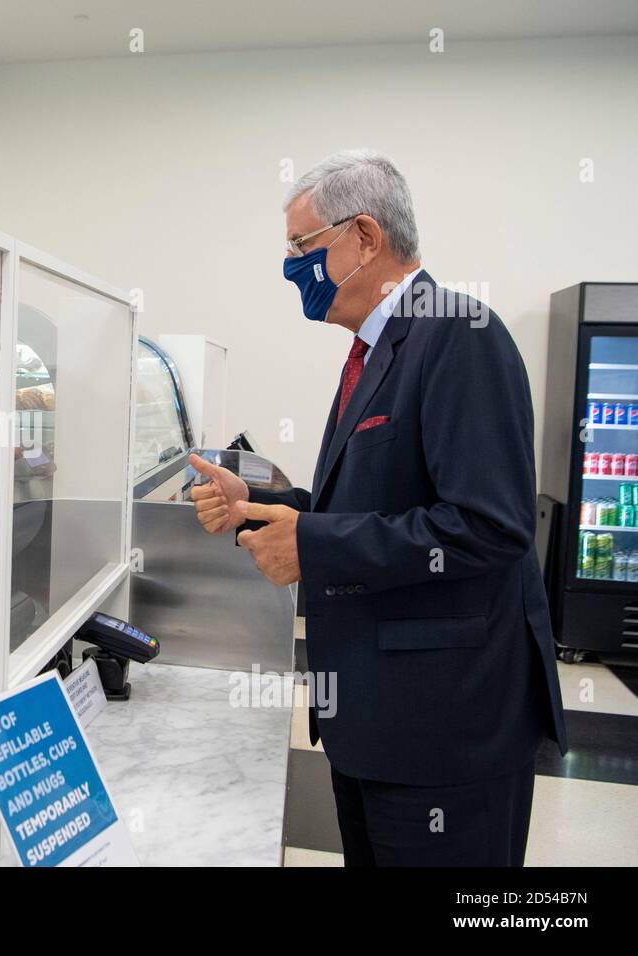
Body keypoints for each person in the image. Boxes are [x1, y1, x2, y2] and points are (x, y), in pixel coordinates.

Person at [191, 149, 566, 866]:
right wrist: (260, 505)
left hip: (445, 732)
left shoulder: (459, 333)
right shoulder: (372, 349)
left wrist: (313, 545)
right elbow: (365, 504)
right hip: (375, 718)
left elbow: (490, 526)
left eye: (302, 247)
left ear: (364, 237)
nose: (291, 267)